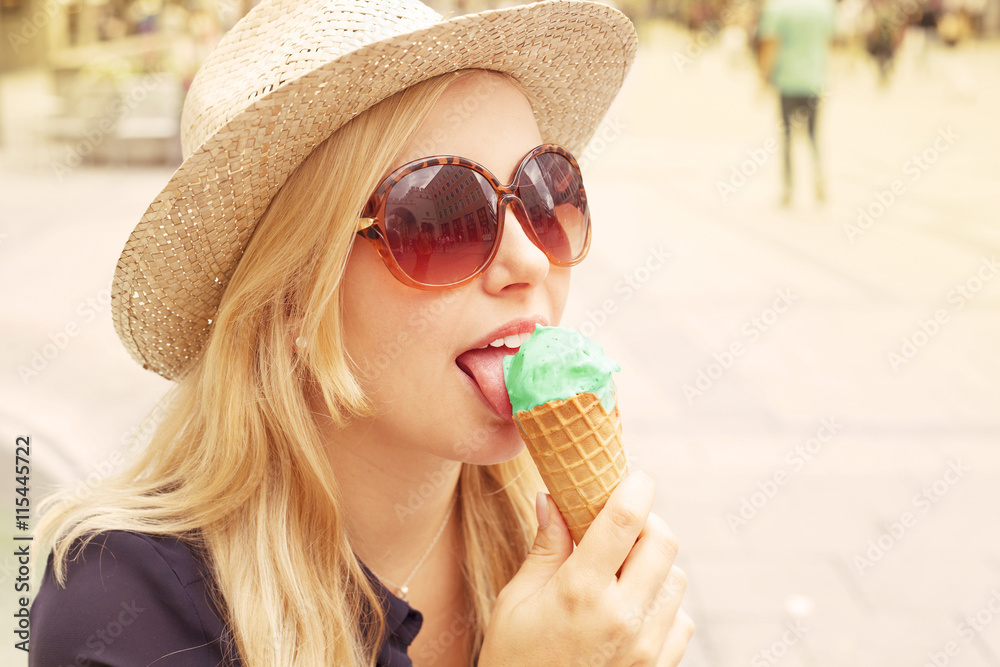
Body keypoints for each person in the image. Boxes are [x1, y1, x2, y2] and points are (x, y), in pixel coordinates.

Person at [28, 1, 694, 666]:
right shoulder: (124, 605)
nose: (529, 260)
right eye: (443, 214)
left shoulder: (567, 563)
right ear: (292, 297)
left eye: (546, 193)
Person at [757, 0, 837, 206]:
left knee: (787, 136)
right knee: (812, 134)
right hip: (814, 79)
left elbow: (770, 45)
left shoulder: (777, 7)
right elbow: (830, 42)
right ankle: (818, 172)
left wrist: (763, 79)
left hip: (787, 79)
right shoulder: (824, 6)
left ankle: (788, 187)